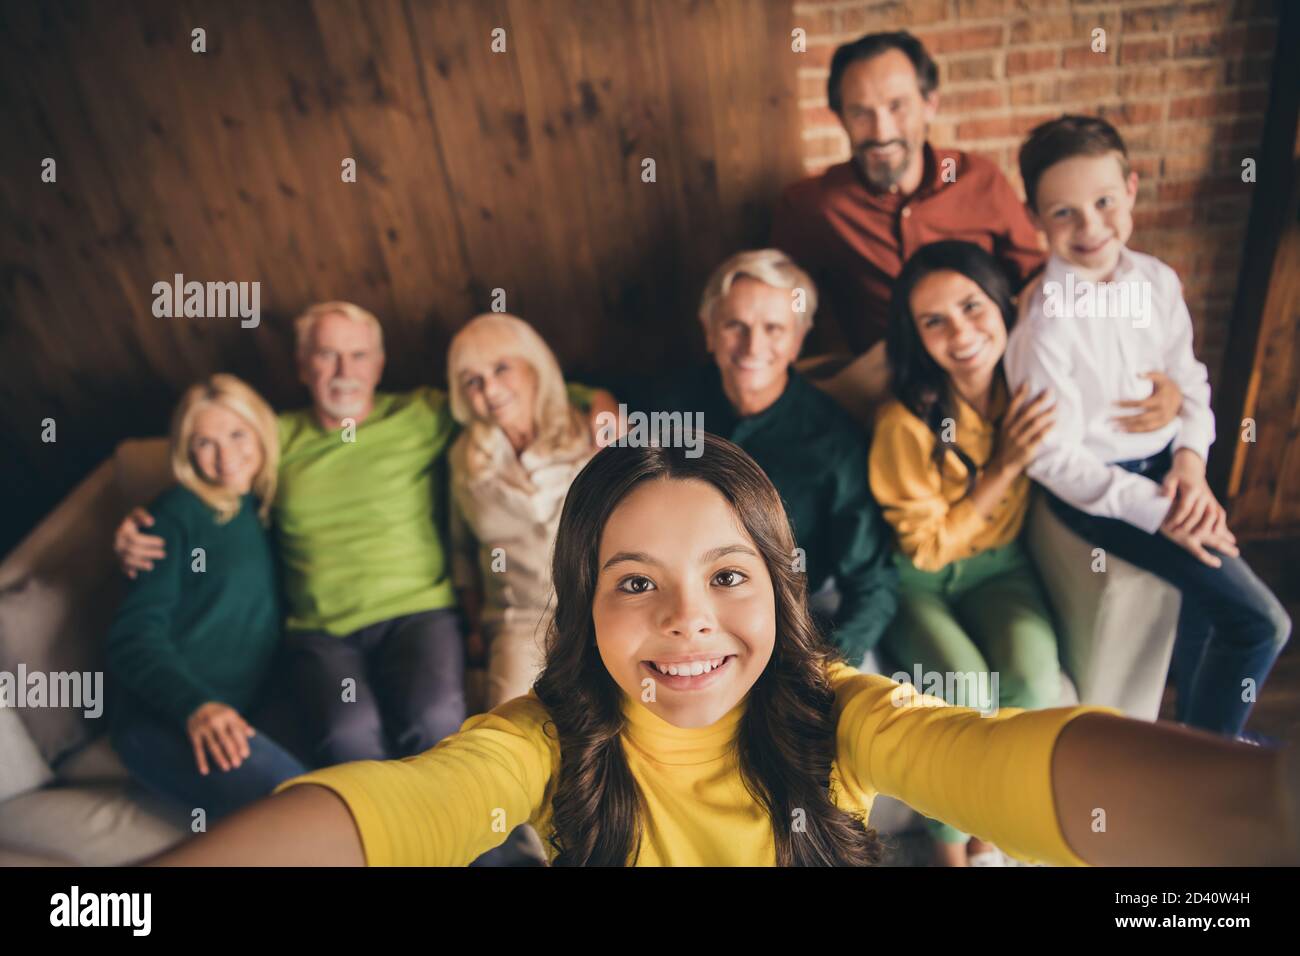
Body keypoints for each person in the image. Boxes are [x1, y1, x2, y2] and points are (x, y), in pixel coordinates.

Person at [147, 435, 1300, 866]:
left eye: (727, 576)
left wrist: (1263, 812)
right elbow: (386, 812)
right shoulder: (537, 742)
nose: (687, 620)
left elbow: (1014, 759)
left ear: (777, 593)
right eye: (634, 582)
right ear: (583, 612)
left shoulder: (840, 711)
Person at [112, 302, 614, 769]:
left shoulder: (420, 415)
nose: (343, 371)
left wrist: (596, 400)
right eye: (326, 356)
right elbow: (214, 465)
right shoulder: (274, 436)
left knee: (437, 724)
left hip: (419, 613)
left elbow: (508, 393)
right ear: (303, 365)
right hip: (322, 631)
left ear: (378, 363)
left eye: (357, 356)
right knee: (348, 738)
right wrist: (146, 523)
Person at [1004, 115, 1291, 740]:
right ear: (1034, 218)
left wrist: (1191, 465)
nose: (1090, 227)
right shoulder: (1046, 323)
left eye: (1105, 201)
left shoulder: (1158, 282)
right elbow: (1052, 458)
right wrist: (1158, 508)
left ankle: (1199, 725)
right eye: (1064, 213)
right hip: (1101, 491)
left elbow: (1190, 382)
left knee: (1204, 610)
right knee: (1262, 623)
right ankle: (1204, 764)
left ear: (1132, 190)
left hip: (1169, 466)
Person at [770, 31, 1181, 429]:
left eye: (897, 106)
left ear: (930, 104)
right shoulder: (811, 206)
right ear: (839, 116)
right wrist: (838, 382)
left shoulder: (979, 181)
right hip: (885, 398)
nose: (880, 131)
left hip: (995, 389)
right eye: (860, 112)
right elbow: (781, 314)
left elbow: (1043, 281)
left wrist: (1155, 378)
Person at [870, 241, 1061, 866]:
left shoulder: (1036, 382)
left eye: (972, 306)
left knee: (1033, 679)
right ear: (917, 337)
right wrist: (1002, 469)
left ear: (1004, 304)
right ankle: (949, 851)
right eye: (934, 321)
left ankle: (991, 833)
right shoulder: (906, 421)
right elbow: (924, 547)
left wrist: (1173, 400)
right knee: (966, 688)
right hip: (919, 579)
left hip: (1000, 568)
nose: (960, 332)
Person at [626, 249, 897, 664]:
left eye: (774, 328)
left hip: (802, 609)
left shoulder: (834, 441)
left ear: (797, 339)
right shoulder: (667, 404)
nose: (753, 346)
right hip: (684, 608)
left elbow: (871, 581)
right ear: (710, 330)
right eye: (736, 325)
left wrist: (831, 663)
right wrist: (601, 402)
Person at [106, 374, 307, 819]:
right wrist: (196, 706)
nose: (225, 457)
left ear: (260, 431)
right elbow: (131, 638)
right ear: (186, 452)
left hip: (249, 706)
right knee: (302, 808)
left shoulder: (268, 507)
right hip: (165, 720)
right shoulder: (172, 518)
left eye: (237, 434)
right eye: (204, 443)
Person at [447, 313, 599, 865]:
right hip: (514, 615)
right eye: (472, 380)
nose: (489, 390)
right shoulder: (465, 458)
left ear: (533, 368)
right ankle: (550, 855)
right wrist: (471, 629)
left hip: (595, 603)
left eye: (501, 369)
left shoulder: (589, 426)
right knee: (510, 732)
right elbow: (463, 554)